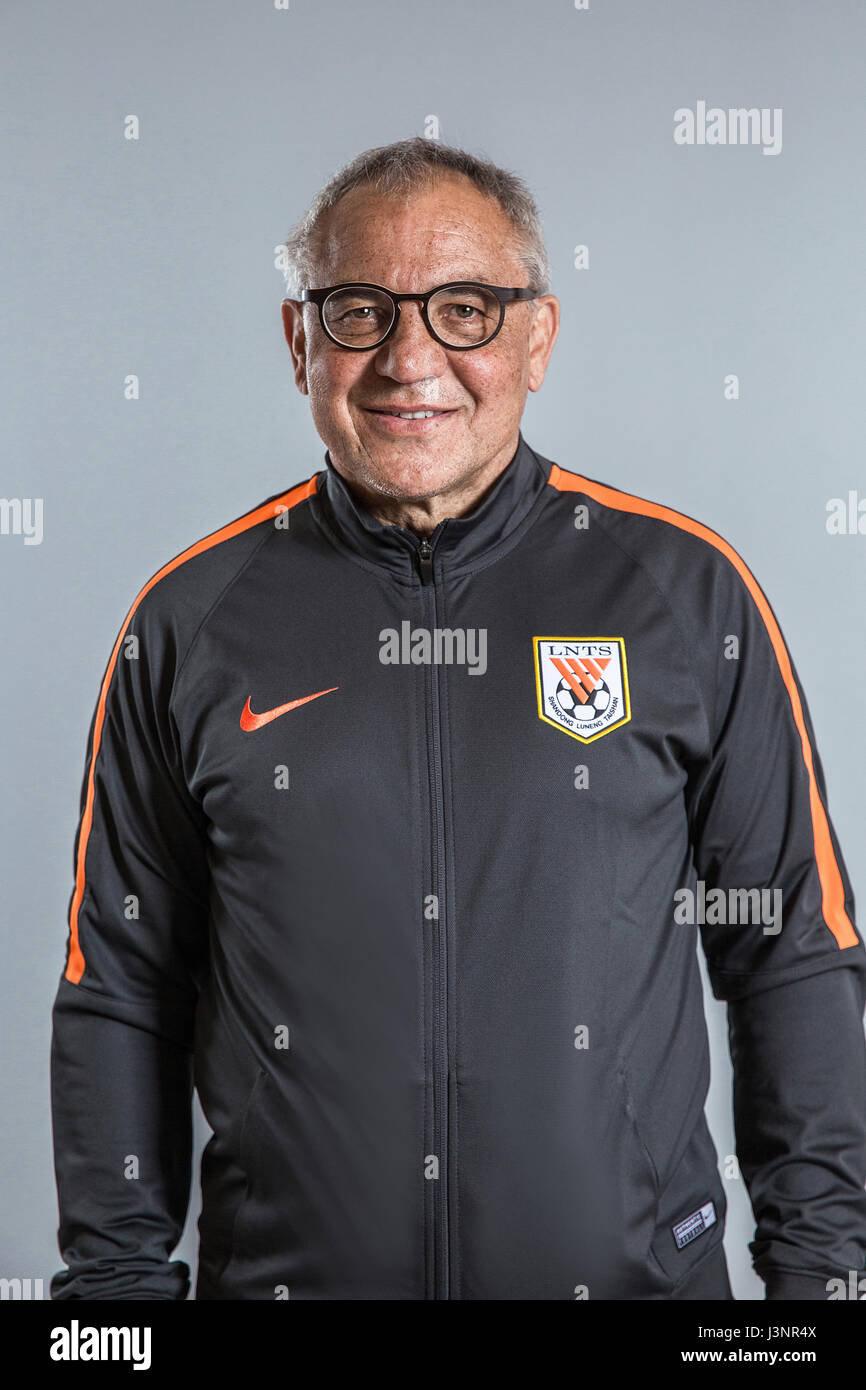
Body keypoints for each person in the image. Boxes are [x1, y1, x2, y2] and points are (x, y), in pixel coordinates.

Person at [50, 136, 866, 1301]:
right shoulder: (189, 621)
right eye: (356, 312)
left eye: (464, 309)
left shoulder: (683, 595)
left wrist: (818, 1288)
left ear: (536, 337)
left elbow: (789, 952)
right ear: (298, 343)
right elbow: (122, 985)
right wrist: (114, 1307)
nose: (408, 358)